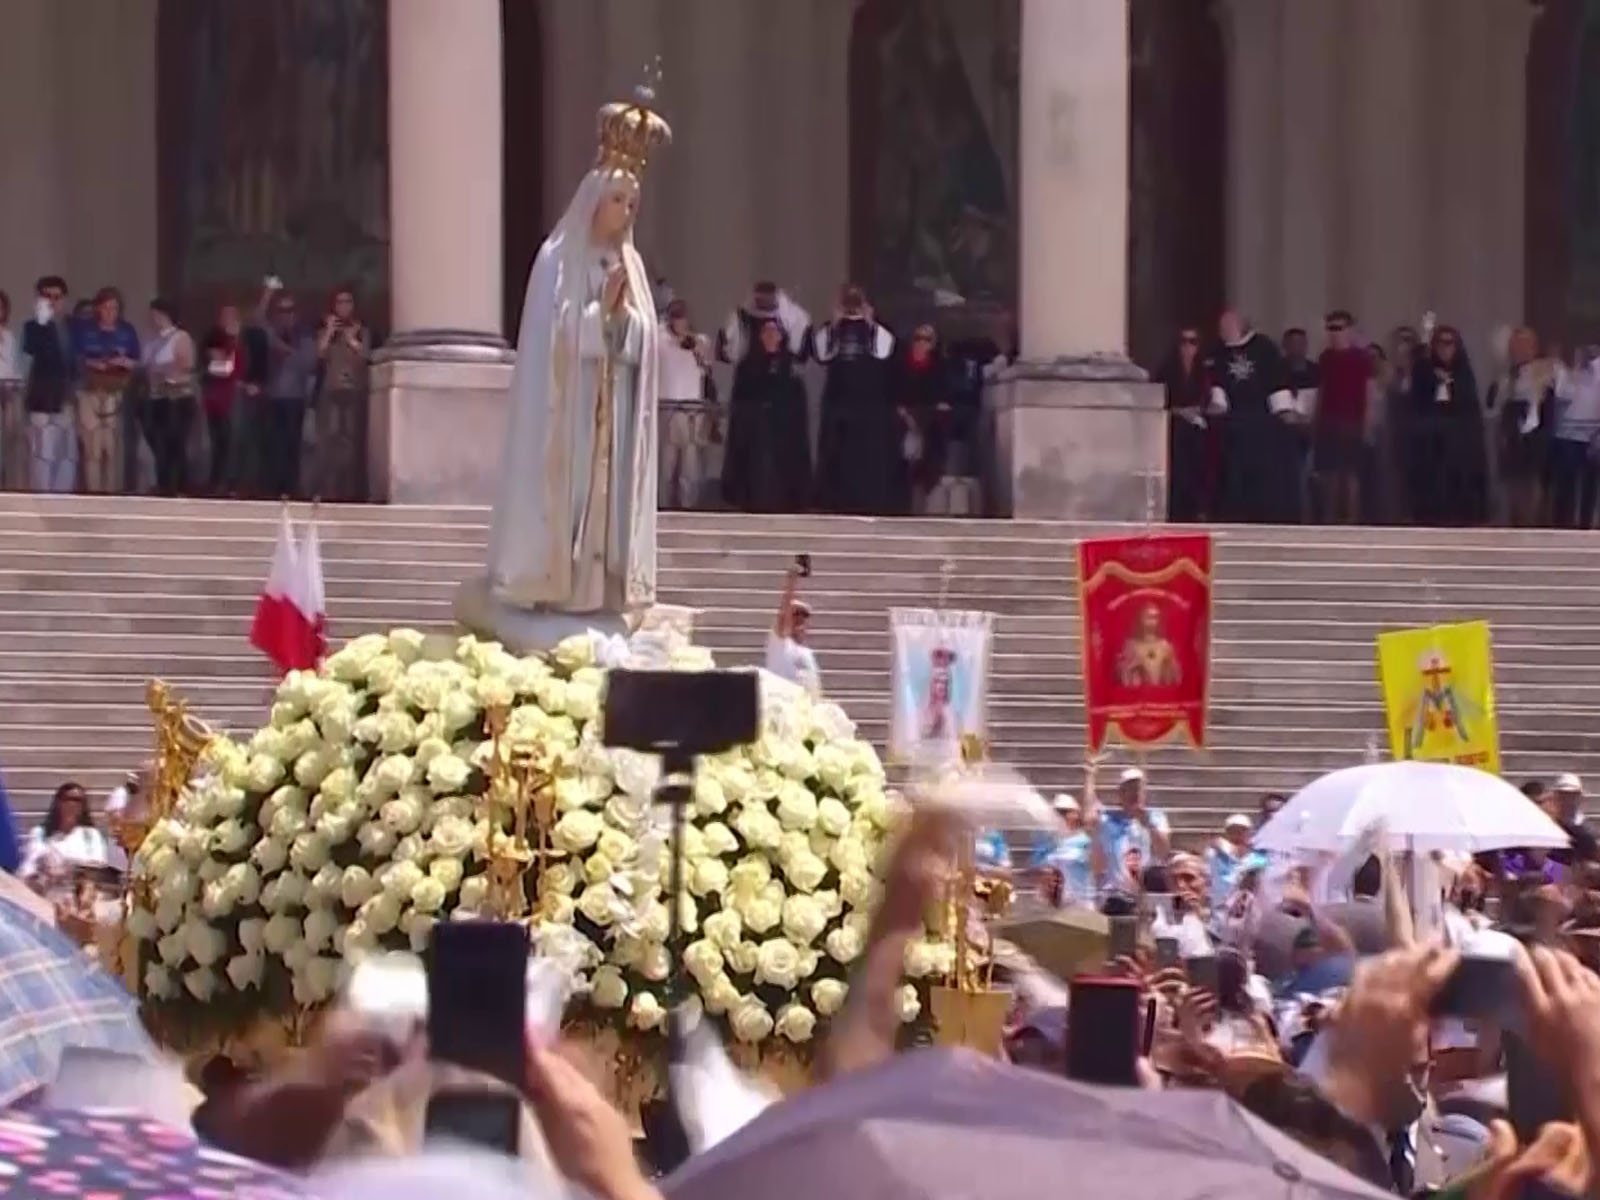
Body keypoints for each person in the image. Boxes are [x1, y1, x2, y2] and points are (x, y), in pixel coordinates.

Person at [485, 89, 668, 617]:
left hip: (612, 415)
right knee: (575, 500)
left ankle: (603, 593)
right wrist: (597, 319)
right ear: (594, 197)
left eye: (633, 204)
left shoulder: (630, 265)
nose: (625, 210)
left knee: (608, 507)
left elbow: (643, 344)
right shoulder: (558, 260)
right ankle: (555, 588)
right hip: (571, 420)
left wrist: (623, 322)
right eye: (618, 200)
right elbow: (551, 339)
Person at [812, 284, 897, 514]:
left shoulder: (876, 329)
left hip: (866, 404)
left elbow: (884, 352)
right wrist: (835, 323)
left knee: (865, 455)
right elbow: (821, 353)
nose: (852, 307)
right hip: (837, 401)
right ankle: (833, 501)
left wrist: (870, 322)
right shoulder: (833, 328)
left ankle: (866, 502)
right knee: (834, 453)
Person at [1207, 309, 1296, 523]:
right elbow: (1218, 387)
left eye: (1226, 327)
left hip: (1263, 423)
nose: (1222, 332)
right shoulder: (1219, 352)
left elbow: (1277, 383)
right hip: (1234, 425)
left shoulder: (1265, 348)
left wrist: (1284, 411)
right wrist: (1214, 408)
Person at [721, 317, 812, 512]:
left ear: (781, 336)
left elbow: (798, 400)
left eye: (775, 332)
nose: (770, 336)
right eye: (766, 332)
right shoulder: (747, 366)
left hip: (784, 429)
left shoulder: (791, 366)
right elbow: (740, 400)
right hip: (755, 432)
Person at [1408, 321, 1487, 526]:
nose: (1445, 348)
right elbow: (1416, 405)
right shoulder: (1422, 370)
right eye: (1440, 343)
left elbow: (1470, 410)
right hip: (1429, 445)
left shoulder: (1463, 373)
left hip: (1458, 447)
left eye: (1450, 343)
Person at [1486, 325, 1556, 527]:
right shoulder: (1505, 378)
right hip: (1509, 452)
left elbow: (1547, 417)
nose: (1519, 350)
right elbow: (1492, 404)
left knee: (1531, 510)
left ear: (1534, 348)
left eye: (1524, 345)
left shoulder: (1545, 375)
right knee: (1508, 509)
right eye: (1515, 346)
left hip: (1534, 453)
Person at [74, 287, 140, 494]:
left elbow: (137, 360)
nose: (111, 312)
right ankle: (94, 492)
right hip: (90, 391)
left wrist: (124, 361)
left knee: (112, 447)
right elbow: (75, 357)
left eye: (115, 308)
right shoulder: (85, 330)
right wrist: (93, 363)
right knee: (93, 446)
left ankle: (112, 491)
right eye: (106, 308)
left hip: (116, 391)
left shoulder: (127, 330)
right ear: (98, 309)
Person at [254, 287, 318, 498]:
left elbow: (309, 363)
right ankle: (274, 487)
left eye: (289, 311)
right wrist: (267, 294)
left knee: (292, 444)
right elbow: (258, 322)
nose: (285, 316)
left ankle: (290, 487)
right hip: (274, 398)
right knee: (274, 444)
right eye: (281, 311)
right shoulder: (273, 333)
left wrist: (288, 351)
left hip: (295, 399)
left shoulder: (304, 337)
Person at [21, 275, 79, 493]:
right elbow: (32, 349)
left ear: (64, 299)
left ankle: (63, 500)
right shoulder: (32, 327)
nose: (53, 302)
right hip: (41, 398)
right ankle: (42, 498)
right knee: (41, 453)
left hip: (66, 396)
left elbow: (77, 359)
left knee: (67, 455)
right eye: (47, 297)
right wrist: (42, 321)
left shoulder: (74, 326)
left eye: (57, 297)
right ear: (39, 299)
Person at [655, 298, 714, 511]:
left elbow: (708, 364)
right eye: (676, 317)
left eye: (683, 317)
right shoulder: (659, 339)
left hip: (692, 407)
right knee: (666, 461)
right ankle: (662, 505)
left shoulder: (700, 341)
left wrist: (693, 345)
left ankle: (689, 505)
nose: (680, 321)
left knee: (690, 462)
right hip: (666, 404)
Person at [1313, 310, 1371, 524]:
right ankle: (1330, 521)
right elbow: (1322, 390)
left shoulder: (1361, 358)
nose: (1334, 333)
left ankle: (1351, 521)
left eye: (1338, 328)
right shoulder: (1325, 358)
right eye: (1330, 328)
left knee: (1351, 476)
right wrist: (1315, 422)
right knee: (1329, 476)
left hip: (1352, 422)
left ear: (1349, 330)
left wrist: (1366, 425)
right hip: (1328, 422)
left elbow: (1369, 391)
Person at [315, 285, 371, 502]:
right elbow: (319, 353)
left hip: (353, 391)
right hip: (332, 391)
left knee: (351, 439)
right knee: (331, 439)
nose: (343, 307)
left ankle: (350, 489)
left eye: (347, 302)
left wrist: (352, 340)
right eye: (339, 303)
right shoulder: (328, 331)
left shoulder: (361, 330)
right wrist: (330, 331)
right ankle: (331, 487)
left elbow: (367, 356)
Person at [19, 781, 123, 897]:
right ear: (58, 802)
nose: (72, 804)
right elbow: (29, 866)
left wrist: (67, 869)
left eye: (78, 800)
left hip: (79, 895)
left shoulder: (90, 835)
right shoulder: (40, 834)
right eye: (68, 799)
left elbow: (97, 864)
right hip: (47, 895)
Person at [140, 297, 197, 496]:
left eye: (156, 313)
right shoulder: (149, 338)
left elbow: (186, 364)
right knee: (158, 441)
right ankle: (163, 484)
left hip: (177, 398)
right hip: (156, 397)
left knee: (175, 441)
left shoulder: (180, 337)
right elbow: (145, 365)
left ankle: (179, 485)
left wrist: (162, 370)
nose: (153, 318)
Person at [893, 324, 951, 514]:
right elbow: (895, 393)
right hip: (903, 417)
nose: (921, 343)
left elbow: (941, 397)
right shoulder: (901, 365)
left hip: (927, 419)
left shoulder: (939, 367)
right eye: (918, 338)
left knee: (932, 441)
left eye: (926, 339)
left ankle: (923, 496)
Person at [1159, 326, 1212, 522]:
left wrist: (1199, 411)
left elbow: (1209, 400)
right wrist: (1180, 412)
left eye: (1193, 342)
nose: (1188, 347)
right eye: (1184, 341)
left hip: (1198, 429)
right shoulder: (1167, 370)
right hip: (1174, 428)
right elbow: (1161, 402)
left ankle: (1199, 509)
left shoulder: (1204, 371)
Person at [199, 303, 252, 495]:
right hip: (214, 398)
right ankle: (216, 481)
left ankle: (231, 483)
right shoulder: (212, 338)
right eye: (225, 316)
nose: (228, 320)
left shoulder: (240, 343)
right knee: (217, 441)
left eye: (232, 316)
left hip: (232, 398)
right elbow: (216, 367)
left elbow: (236, 368)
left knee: (232, 440)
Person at [1089, 767, 1172, 888]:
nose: (1135, 793)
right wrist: (1090, 775)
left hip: (1145, 891)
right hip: (1115, 891)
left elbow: (1164, 851)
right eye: (1130, 789)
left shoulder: (1156, 816)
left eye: (1138, 788)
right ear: (1121, 793)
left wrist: (1147, 823)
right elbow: (1090, 816)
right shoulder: (1107, 819)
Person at [1549, 347, 1600, 530]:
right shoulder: (1560, 371)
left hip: (1593, 435)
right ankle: (1564, 526)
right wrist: (1571, 373)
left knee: (1589, 486)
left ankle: (1585, 526)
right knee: (1566, 485)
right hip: (1566, 435)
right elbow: (1561, 395)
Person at [765, 560, 820, 697]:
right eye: (795, 615)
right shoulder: (780, 643)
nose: (800, 620)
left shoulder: (807, 653)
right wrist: (791, 582)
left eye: (804, 616)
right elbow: (784, 614)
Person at [1115, 603, 1180, 687]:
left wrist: (1169, 665)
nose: (1152, 621)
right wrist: (1132, 667)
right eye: (1149, 617)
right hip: (1138, 695)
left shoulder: (1165, 646)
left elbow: (1175, 678)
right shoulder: (1131, 645)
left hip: (1162, 695)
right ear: (1140, 619)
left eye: (1155, 617)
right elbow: (1122, 674)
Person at [0, 289, 23, 490]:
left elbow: (15, 366)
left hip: (7, 390)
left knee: (7, 438)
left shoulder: (9, 337)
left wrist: (14, 387)